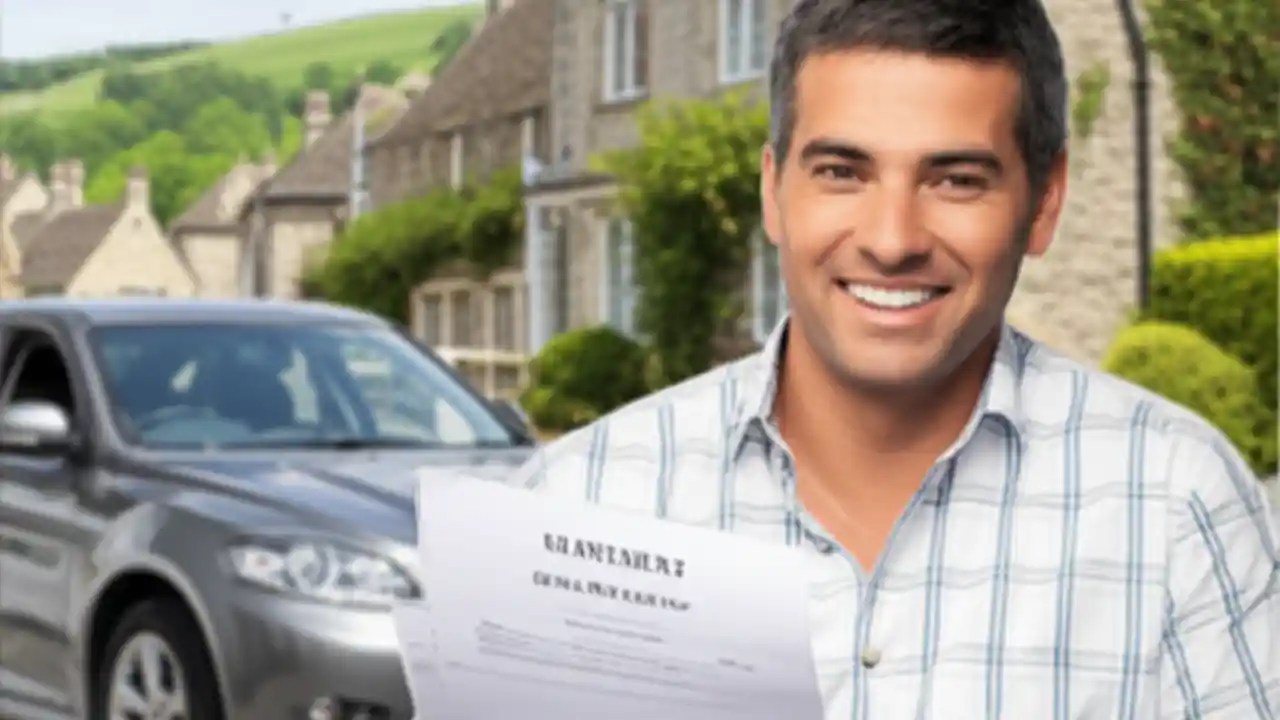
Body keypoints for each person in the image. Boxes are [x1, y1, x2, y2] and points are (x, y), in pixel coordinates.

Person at [507, 0, 1279, 716]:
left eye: (956, 179)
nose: (892, 239)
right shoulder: (578, 500)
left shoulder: (1177, 505)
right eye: (842, 172)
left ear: (1044, 202)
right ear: (775, 193)